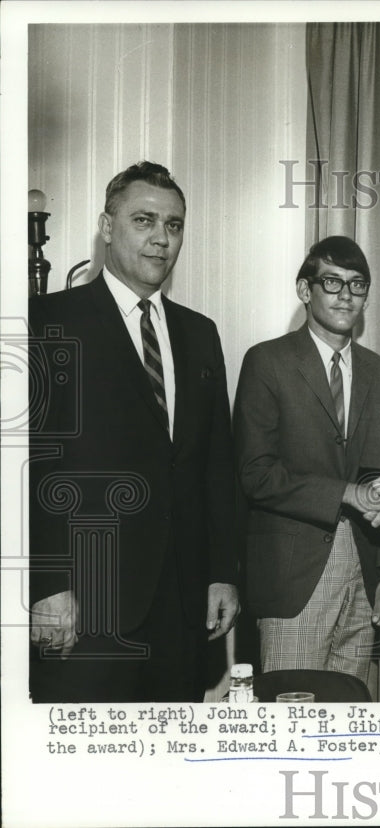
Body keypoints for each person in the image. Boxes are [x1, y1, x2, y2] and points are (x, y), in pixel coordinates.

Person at [28, 161, 240, 702]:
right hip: (84, 605)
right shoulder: (48, 323)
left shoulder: (200, 333)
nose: (161, 239)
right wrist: (48, 585)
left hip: (182, 608)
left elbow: (217, 465)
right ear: (106, 227)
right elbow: (31, 464)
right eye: (144, 220)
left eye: (173, 225)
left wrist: (222, 573)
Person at [233, 236, 380, 684]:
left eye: (357, 285)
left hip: (364, 576)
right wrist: (349, 493)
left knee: (347, 714)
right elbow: (255, 475)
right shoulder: (267, 361)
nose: (346, 295)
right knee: (289, 718)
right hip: (293, 578)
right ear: (305, 290)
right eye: (332, 282)